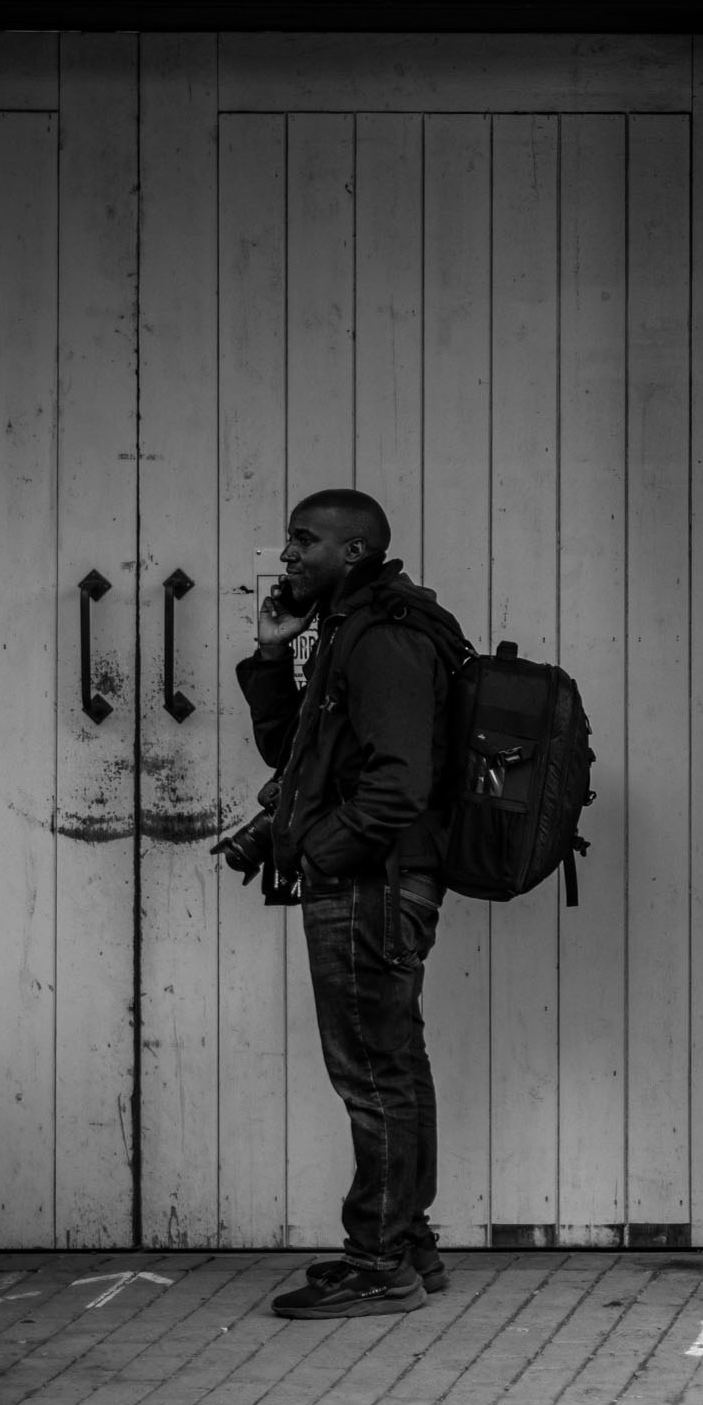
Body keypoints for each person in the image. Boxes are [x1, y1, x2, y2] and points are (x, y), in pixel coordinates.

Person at [240, 489, 473, 1318]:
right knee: (393, 1068)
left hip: (373, 884)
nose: (289, 555)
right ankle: (406, 1245)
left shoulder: (385, 638)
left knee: (373, 1076)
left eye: (305, 540)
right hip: (368, 879)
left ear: (356, 549)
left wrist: (316, 848)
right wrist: (273, 657)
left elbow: (399, 783)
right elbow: (296, 750)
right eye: (289, 539)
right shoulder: (343, 629)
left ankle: (379, 1262)